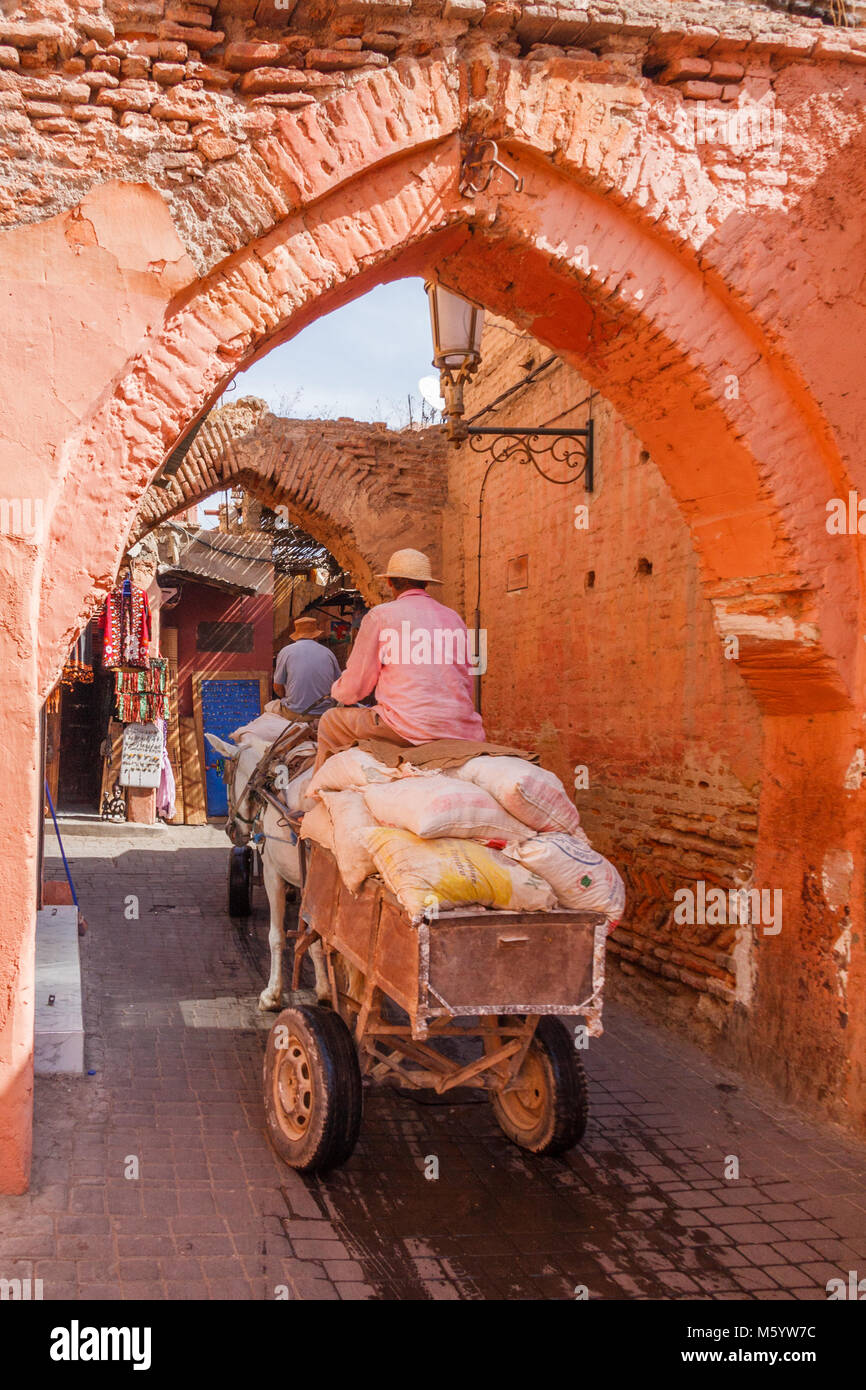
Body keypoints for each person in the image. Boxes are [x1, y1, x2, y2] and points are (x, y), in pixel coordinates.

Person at [314, 548, 485, 770]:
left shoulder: (380, 616)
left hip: (406, 728)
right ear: (426, 583)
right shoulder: (454, 618)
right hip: (460, 726)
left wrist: (337, 691)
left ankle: (319, 796)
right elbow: (466, 678)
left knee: (330, 721)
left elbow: (355, 688)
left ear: (390, 583)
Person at [273, 615, 341, 719]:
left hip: (295, 713)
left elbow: (277, 687)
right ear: (316, 636)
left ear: (297, 636)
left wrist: (290, 699)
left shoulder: (286, 652)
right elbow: (339, 684)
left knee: (270, 707)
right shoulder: (328, 653)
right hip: (325, 713)